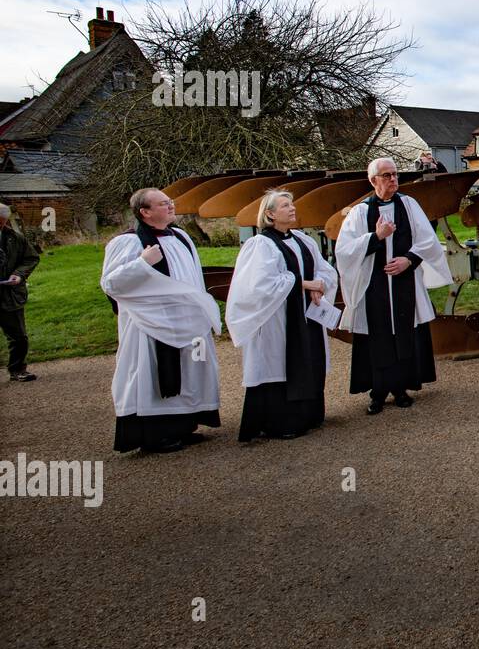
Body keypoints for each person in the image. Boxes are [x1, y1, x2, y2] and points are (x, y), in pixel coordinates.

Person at [100, 188, 221, 453]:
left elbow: (194, 280)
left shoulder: (181, 237)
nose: (171, 206)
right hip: (149, 323)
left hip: (186, 321)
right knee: (151, 373)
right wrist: (142, 263)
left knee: (189, 371)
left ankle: (182, 425)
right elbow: (110, 283)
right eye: (163, 204)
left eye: (170, 202)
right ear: (145, 212)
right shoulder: (128, 242)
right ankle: (155, 435)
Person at [336, 158, 452, 415]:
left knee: (403, 333)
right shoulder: (360, 212)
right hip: (374, 285)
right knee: (378, 338)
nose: (392, 179)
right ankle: (377, 392)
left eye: (395, 174)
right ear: (373, 180)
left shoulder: (409, 206)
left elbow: (428, 241)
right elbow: (343, 251)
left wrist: (408, 260)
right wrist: (375, 237)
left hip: (404, 282)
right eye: (386, 175)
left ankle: (400, 388)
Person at [225, 190, 338, 441]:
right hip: (278, 319)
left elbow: (324, 268)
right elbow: (259, 285)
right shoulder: (260, 245)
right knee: (280, 362)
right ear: (270, 214)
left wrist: (319, 285)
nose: (292, 208)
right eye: (285, 205)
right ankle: (280, 422)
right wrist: (302, 283)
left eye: (292, 204)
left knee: (309, 357)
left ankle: (308, 415)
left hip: (306, 314)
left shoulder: (302, 240)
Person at [0, 203, 40, 383]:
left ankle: (17, 369)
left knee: (18, 337)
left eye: (1, 222)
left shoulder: (16, 238)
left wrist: (18, 274)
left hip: (10, 294)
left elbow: (31, 258)